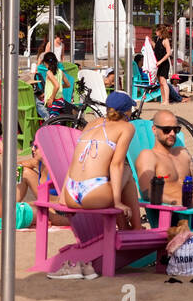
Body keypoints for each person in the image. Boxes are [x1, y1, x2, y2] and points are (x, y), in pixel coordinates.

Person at [59, 92, 143, 279]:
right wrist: (116, 202)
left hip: (71, 192)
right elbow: (117, 164)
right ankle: (135, 229)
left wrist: (62, 195)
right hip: (93, 193)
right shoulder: (126, 127)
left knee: (118, 176)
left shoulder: (91, 123)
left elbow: (74, 161)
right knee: (127, 171)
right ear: (127, 111)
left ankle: (125, 228)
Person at [38, 51, 68, 119]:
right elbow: (67, 84)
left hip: (53, 102)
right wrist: (45, 94)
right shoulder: (60, 72)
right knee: (57, 120)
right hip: (60, 101)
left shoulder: (49, 72)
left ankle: (46, 120)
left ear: (46, 63)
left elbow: (56, 85)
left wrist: (51, 98)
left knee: (53, 121)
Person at [153, 23, 174, 106]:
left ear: (160, 31)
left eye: (157, 30)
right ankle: (163, 99)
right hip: (158, 63)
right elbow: (157, 48)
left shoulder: (165, 40)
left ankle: (167, 100)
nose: (155, 32)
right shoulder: (158, 39)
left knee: (163, 81)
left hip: (164, 63)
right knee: (160, 82)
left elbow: (168, 53)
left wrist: (160, 62)